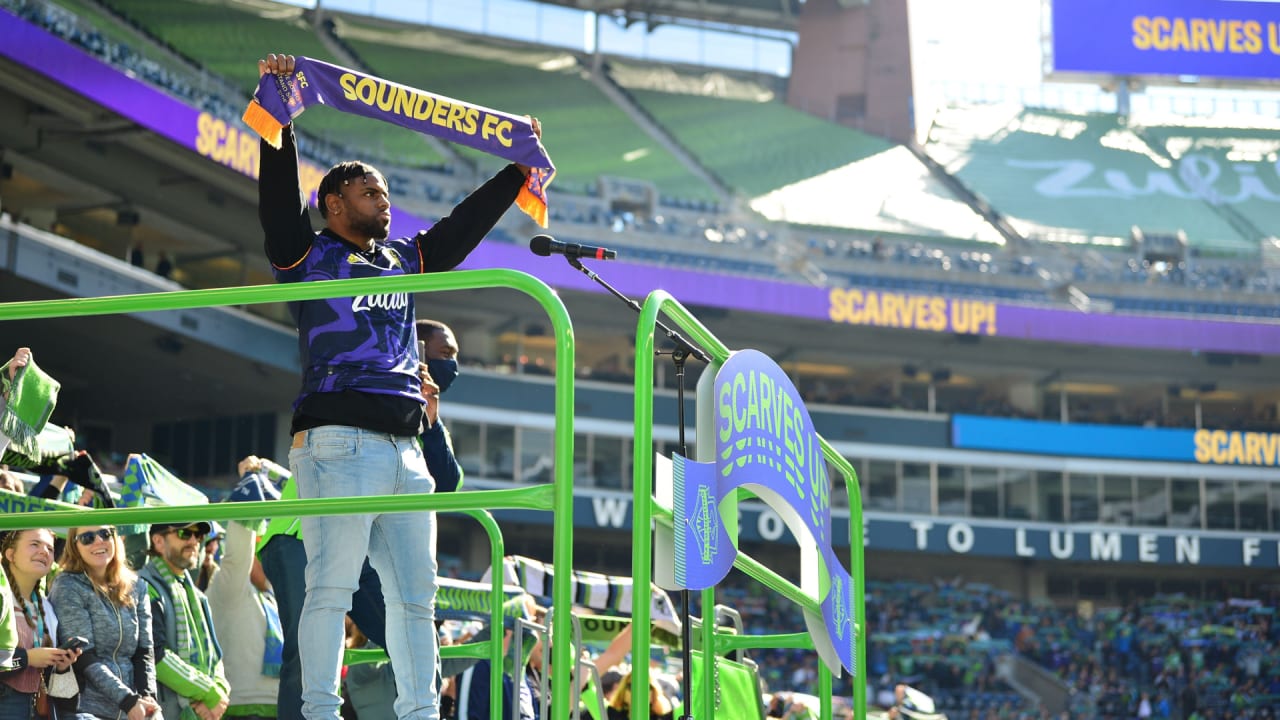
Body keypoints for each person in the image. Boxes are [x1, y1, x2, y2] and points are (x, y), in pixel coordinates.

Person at [256, 51, 542, 720]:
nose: (384, 201)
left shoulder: (406, 259)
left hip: (407, 451)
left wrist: (515, 168)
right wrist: (281, 115)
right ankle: (320, 712)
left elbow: (461, 230)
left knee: (417, 598)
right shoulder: (306, 253)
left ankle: (419, 713)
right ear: (334, 203)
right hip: (339, 442)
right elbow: (275, 199)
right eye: (370, 192)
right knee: (330, 587)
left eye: (386, 193)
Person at [48, 525, 161, 720]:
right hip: (86, 711)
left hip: (131, 710)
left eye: (105, 534)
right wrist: (128, 700)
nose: (99, 541)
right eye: (87, 538)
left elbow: (144, 651)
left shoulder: (138, 586)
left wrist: (147, 699)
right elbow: (84, 656)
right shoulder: (67, 586)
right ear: (75, 547)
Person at [206, 459, 282, 720]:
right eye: (261, 549)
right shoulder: (229, 588)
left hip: (284, 708)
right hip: (239, 711)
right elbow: (238, 551)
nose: (270, 556)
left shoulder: (279, 596)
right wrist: (249, 481)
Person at [138, 523, 229, 720]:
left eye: (199, 535)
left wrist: (219, 690)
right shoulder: (142, 587)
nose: (194, 541)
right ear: (158, 541)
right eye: (185, 533)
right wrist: (208, 693)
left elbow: (214, 654)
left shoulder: (197, 596)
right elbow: (156, 656)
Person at [0, 528, 80, 720]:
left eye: (50, 548)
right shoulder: (2, 597)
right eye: (35, 544)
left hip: (37, 710)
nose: (44, 551)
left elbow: (63, 695)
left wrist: (61, 665)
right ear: (10, 554)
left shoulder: (47, 608)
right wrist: (27, 658)